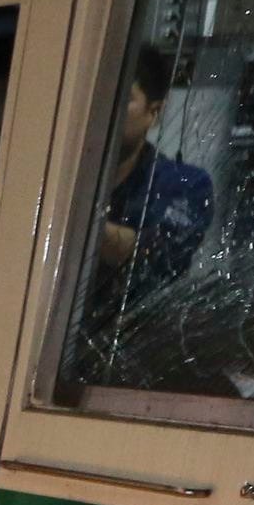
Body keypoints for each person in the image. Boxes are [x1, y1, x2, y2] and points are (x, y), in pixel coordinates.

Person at [91, 46, 214, 326]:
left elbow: (156, 256)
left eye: (122, 99)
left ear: (154, 111)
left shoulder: (184, 184)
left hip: (133, 347)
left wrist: (74, 220)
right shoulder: (66, 176)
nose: (106, 110)